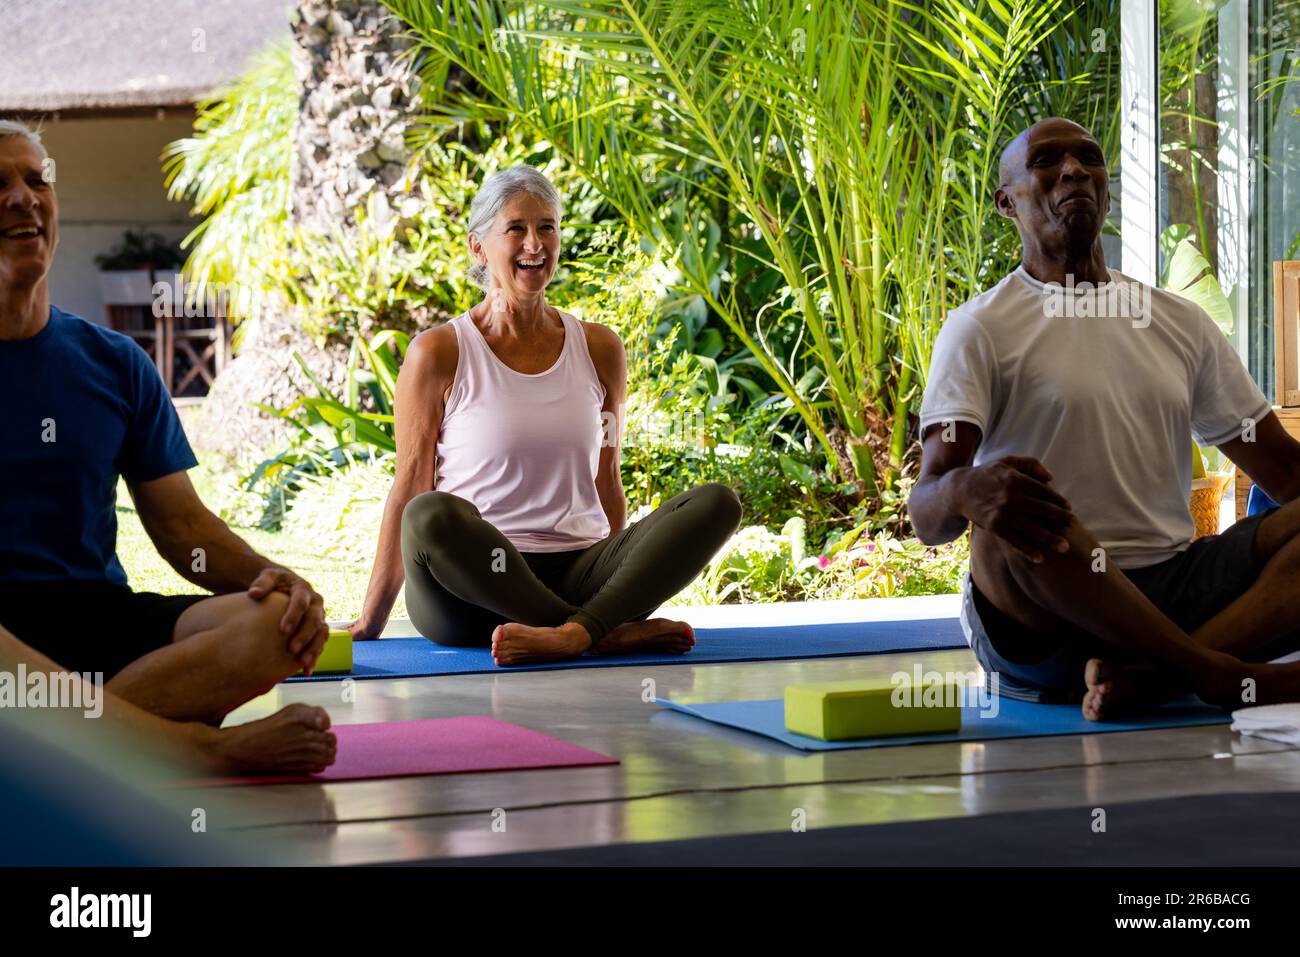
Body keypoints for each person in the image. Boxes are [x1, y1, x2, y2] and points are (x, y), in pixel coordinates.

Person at [910, 116, 1300, 719]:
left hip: (1176, 591)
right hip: (1048, 610)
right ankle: (1212, 672)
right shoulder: (979, 329)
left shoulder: (1177, 322)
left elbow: (1287, 476)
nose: (1073, 169)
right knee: (1007, 516)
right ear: (1006, 202)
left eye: (1088, 157)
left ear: (1106, 186)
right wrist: (965, 488)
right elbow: (928, 515)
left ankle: (1156, 678)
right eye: (1046, 161)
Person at [0, 119, 336, 772]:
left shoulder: (115, 363)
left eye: (38, 180)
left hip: (99, 624)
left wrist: (278, 579)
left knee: (272, 626)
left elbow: (183, 528)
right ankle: (200, 751)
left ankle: (58, 754)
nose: (23, 197)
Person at [350, 165, 742, 665]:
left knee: (717, 504)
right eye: (515, 228)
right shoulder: (439, 352)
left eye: (547, 227)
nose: (535, 243)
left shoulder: (600, 347)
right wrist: (370, 620)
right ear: (479, 247)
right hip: (470, 595)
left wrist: (617, 586)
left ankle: (575, 632)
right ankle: (596, 635)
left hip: (576, 571)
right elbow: (409, 484)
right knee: (429, 514)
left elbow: (608, 479)